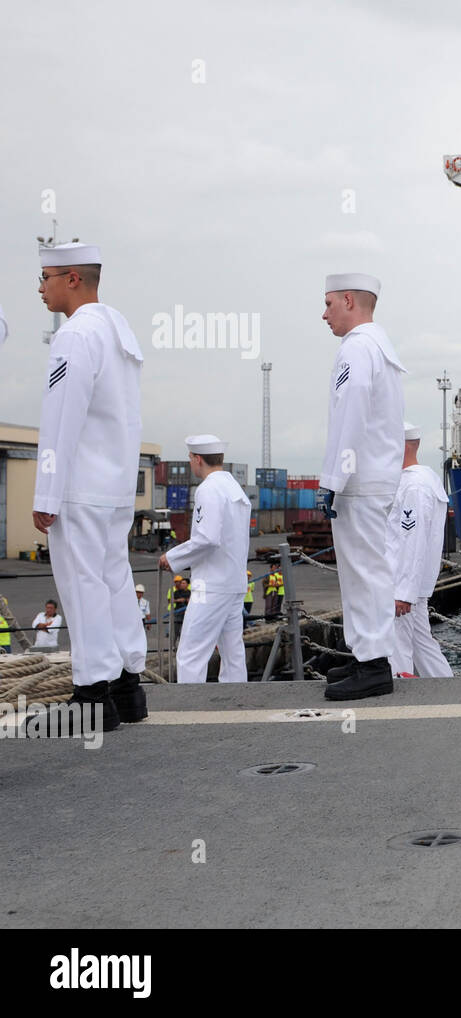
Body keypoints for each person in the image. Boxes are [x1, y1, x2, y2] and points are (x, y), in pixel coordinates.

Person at [32, 242, 148, 730]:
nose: (41, 288)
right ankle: (127, 688)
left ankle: (92, 696)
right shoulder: (118, 332)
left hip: (79, 487)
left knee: (83, 589)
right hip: (116, 487)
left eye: (47, 277)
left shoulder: (75, 336)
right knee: (115, 582)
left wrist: (45, 494)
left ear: (73, 278)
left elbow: (62, 417)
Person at [319, 273, 406, 700]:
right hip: (373, 476)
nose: (324, 313)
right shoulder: (379, 346)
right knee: (364, 570)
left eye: (330, 304)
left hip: (358, 480)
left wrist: (333, 480)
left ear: (349, 301)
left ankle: (373, 665)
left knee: (365, 571)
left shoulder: (356, 347)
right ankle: (365, 655)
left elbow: (350, 415)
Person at [160, 435, 252, 683]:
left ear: (197, 459)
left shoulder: (208, 489)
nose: (190, 463)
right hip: (233, 583)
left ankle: (189, 711)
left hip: (211, 585)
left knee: (190, 653)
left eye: (190, 458)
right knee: (233, 654)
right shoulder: (235, 489)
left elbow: (207, 538)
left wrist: (172, 557)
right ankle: (236, 705)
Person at [386, 423, 454, 678]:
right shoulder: (426, 480)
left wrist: (403, 591)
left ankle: (400, 704)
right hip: (412, 587)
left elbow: (411, 541)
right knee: (422, 645)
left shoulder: (413, 487)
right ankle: (449, 693)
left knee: (397, 648)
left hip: (401, 587)